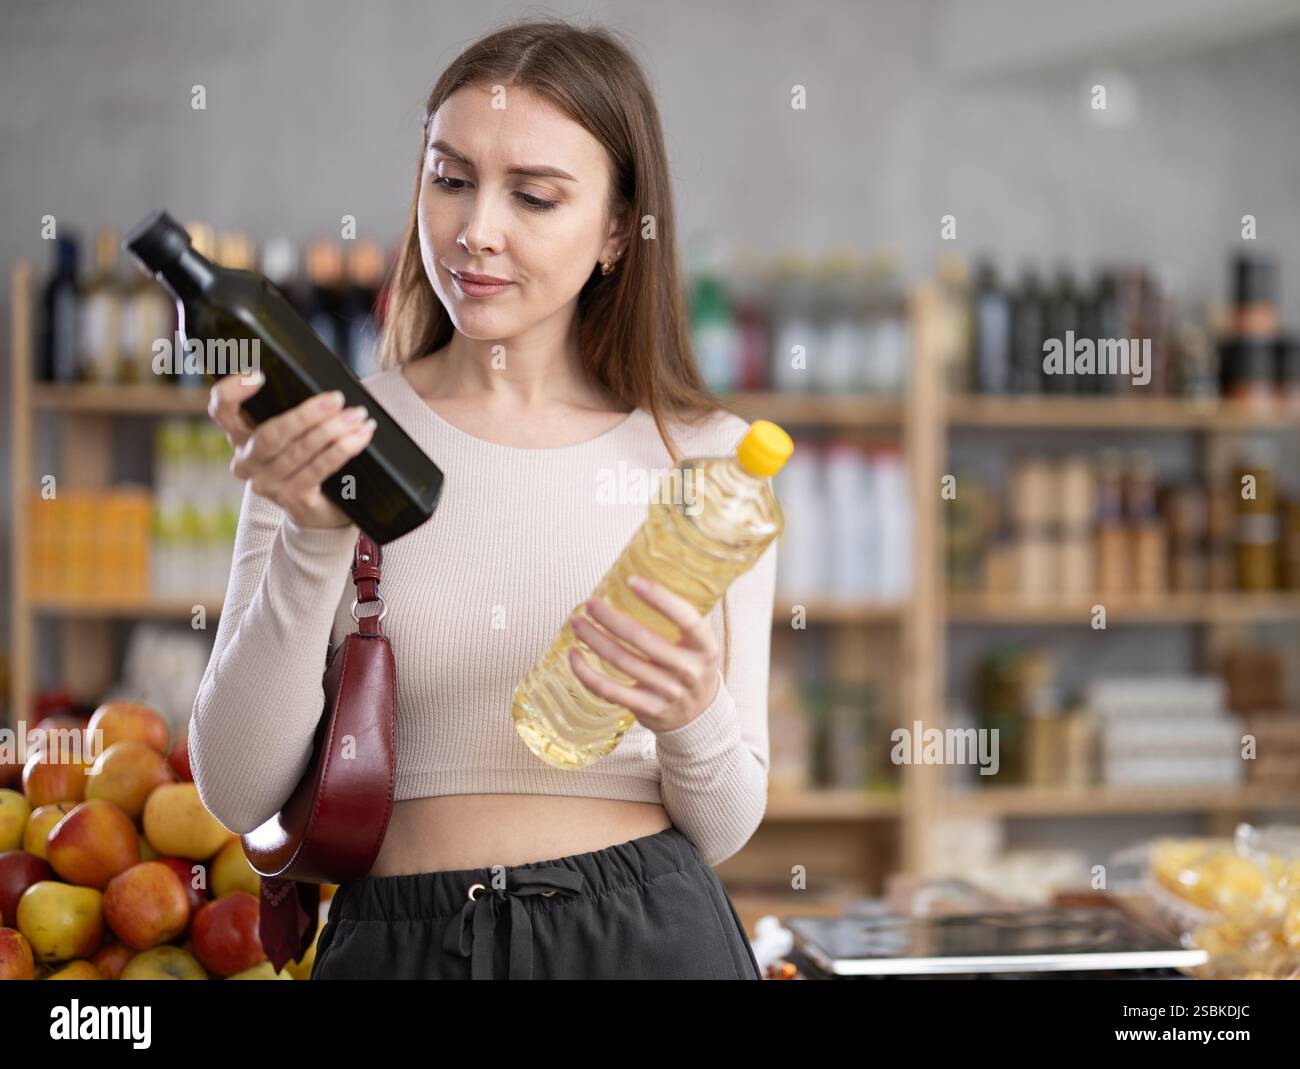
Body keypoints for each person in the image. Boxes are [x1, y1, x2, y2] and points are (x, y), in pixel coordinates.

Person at [190, 17, 776, 980]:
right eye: (449, 178)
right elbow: (236, 787)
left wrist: (695, 711)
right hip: (400, 945)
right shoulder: (330, 433)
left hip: (649, 937)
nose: (474, 229)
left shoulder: (704, 461)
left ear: (620, 230)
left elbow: (726, 825)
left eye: (535, 197)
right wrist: (312, 536)